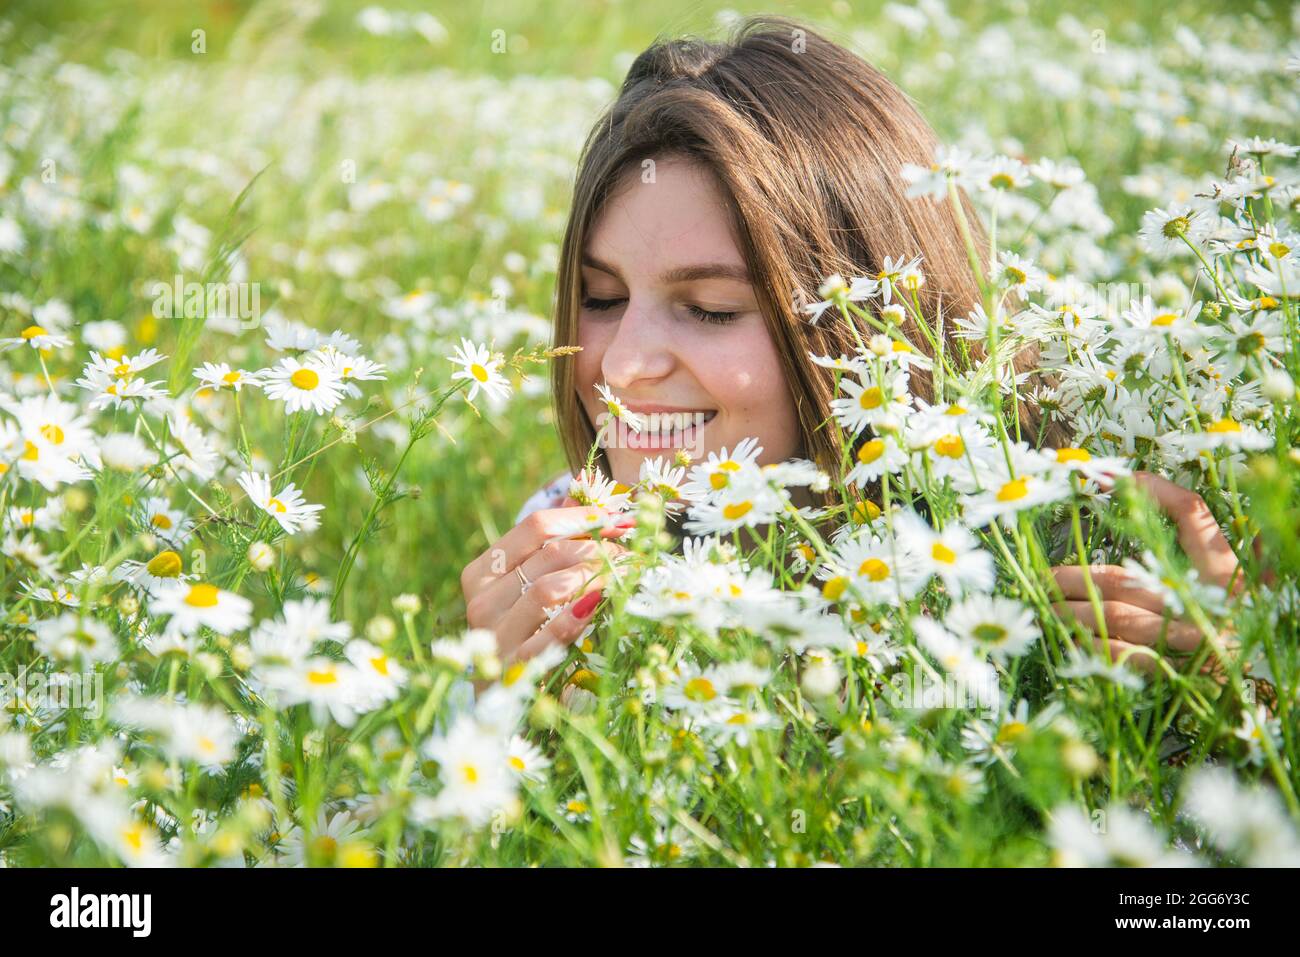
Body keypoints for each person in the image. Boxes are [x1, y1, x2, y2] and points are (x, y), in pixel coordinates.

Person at [459, 16, 1241, 675]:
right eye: (602, 298)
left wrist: (1233, 684)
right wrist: (503, 710)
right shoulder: (559, 553)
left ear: (871, 323)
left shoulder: (1055, 549)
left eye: (708, 309)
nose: (624, 364)